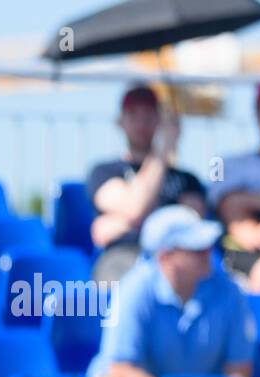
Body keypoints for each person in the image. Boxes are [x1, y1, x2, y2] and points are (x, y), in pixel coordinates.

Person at [87, 205, 260, 377]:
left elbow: (239, 372)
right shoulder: (133, 289)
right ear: (165, 256)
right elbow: (121, 369)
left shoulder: (229, 291)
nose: (207, 253)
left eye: (208, 246)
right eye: (196, 248)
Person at [86, 85, 206, 283]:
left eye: (149, 115)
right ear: (121, 122)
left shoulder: (187, 180)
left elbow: (192, 223)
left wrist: (124, 223)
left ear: (159, 120)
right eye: (133, 114)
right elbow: (135, 208)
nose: (141, 123)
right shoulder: (103, 171)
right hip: (123, 258)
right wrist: (161, 154)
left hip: (175, 259)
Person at [208, 83, 260, 292]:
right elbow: (232, 212)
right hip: (241, 258)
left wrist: (249, 201)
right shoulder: (226, 164)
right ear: (257, 114)